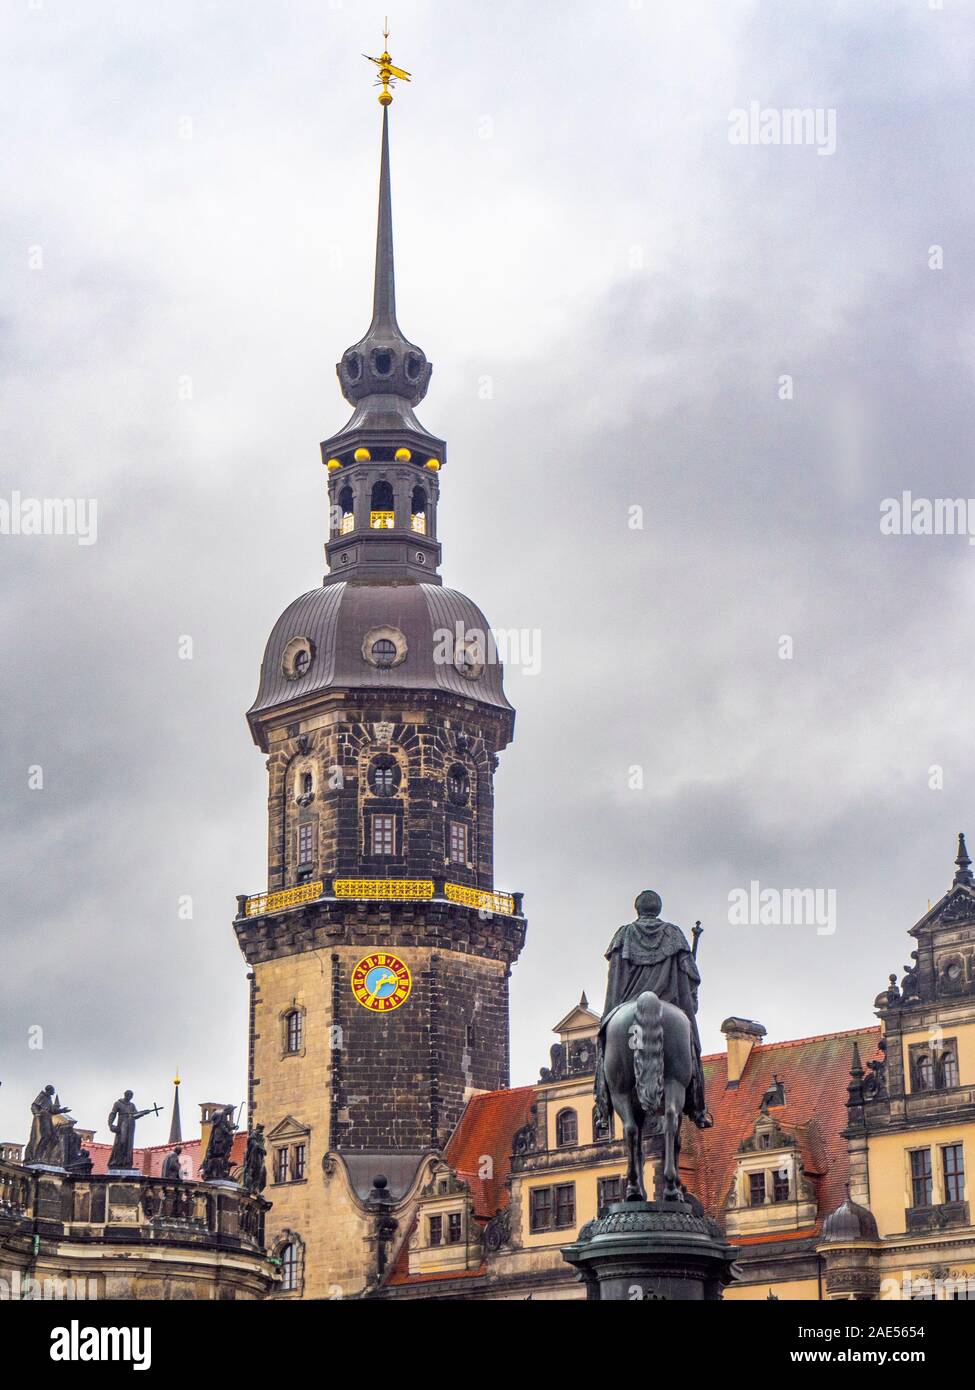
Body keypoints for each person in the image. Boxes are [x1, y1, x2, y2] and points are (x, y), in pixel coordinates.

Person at [594, 890, 711, 1128]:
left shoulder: (623, 936)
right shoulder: (674, 935)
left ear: (637, 909)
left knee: (605, 1046)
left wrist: (610, 1016)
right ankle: (698, 1109)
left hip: (626, 1002)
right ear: (657, 909)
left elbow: (614, 979)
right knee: (692, 1045)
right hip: (669, 1003)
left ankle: (602, 1111)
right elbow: (689, 976)